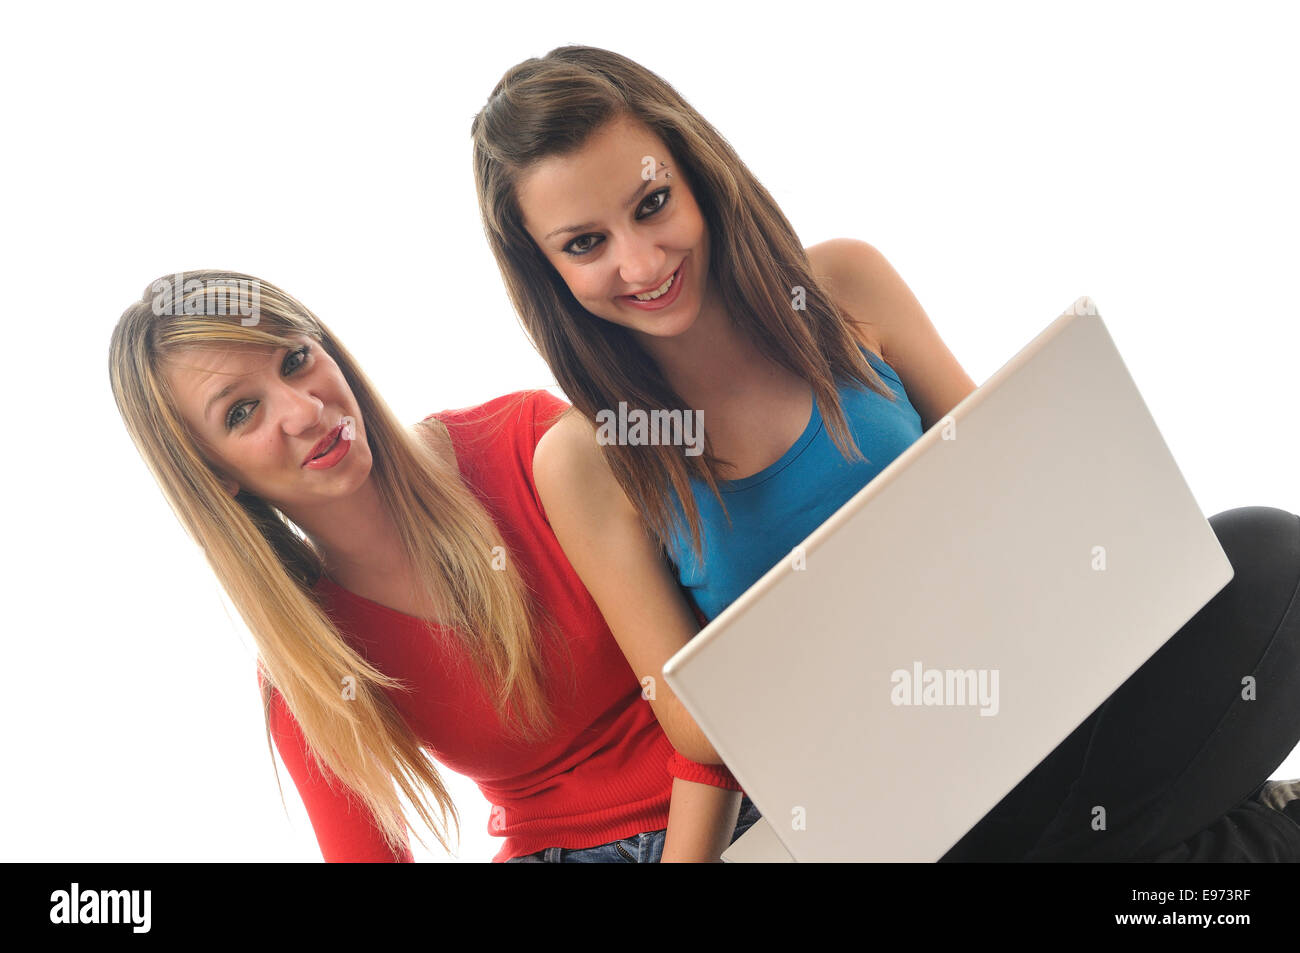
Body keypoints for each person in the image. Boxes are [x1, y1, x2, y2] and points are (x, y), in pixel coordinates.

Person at [469, 45, 1300, 860]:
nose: (641, 262)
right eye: (585, 244)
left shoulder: (843, 285)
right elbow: (689, 721)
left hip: (1031, 680)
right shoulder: (585, 458)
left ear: (696, 174)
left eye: (652, 205)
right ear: (542, 270)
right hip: (875, 790)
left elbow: (1011, 463)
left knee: (1272, 556)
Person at [107, 270, 760, 862]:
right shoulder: (306, 668)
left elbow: (724, 688)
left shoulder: (531, 446)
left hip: (741, 794)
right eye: (242, 412)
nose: (304, 410)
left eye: (296, 359)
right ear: (215, 477)